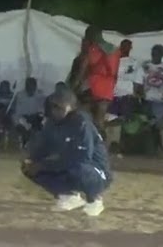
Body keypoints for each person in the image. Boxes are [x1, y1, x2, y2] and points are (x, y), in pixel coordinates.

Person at [21, 87, 110, 216]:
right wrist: (30, 160)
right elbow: (42, 148)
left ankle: (95, 199)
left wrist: (44, 165)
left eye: (59, 107)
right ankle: (69, 196)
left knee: (77, 167)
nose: (55, 110)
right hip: (69, 164)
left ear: (71, 107)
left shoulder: (81, 123)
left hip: (96, 171)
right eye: (53, 107)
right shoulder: (52, 123)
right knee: (29, 167)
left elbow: (82, 157)